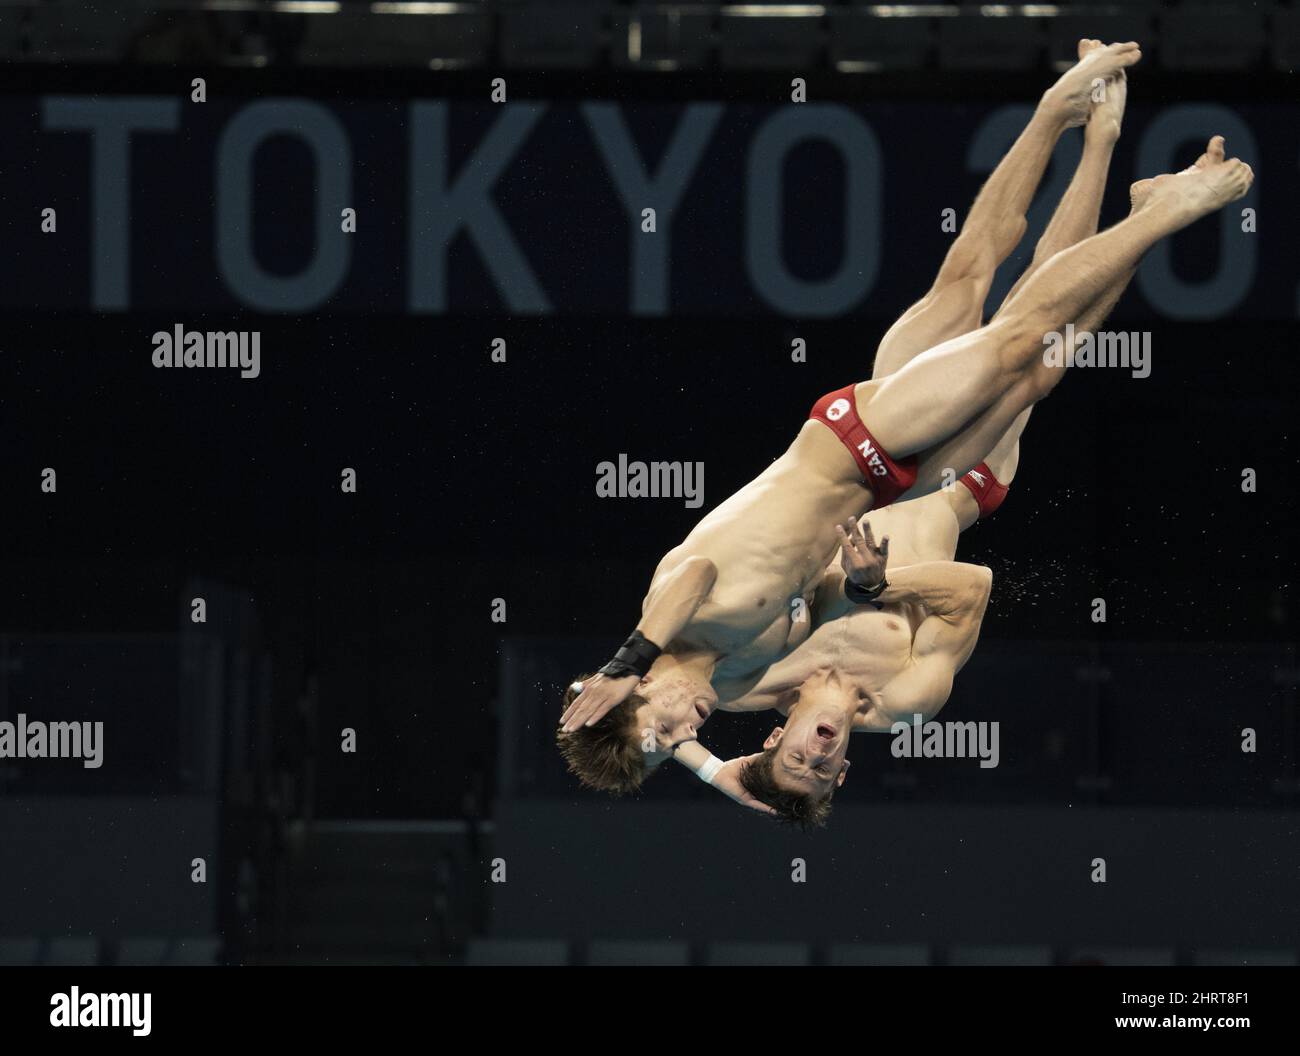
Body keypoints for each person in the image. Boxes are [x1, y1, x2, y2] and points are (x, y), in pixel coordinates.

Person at [558, 40, 1252, 807]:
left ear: (631, 690)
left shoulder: (680, 613)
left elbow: (686, 585)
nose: (685, 731)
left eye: (661, 732)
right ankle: (1117, 164)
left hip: (852, 442)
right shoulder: (740, 677)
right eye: (675, 748)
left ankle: (1133, 183)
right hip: (891, 489)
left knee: (1010, 325)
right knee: (1039, 363)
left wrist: (625, 663)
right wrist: (720, 771)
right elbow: (710, 731)